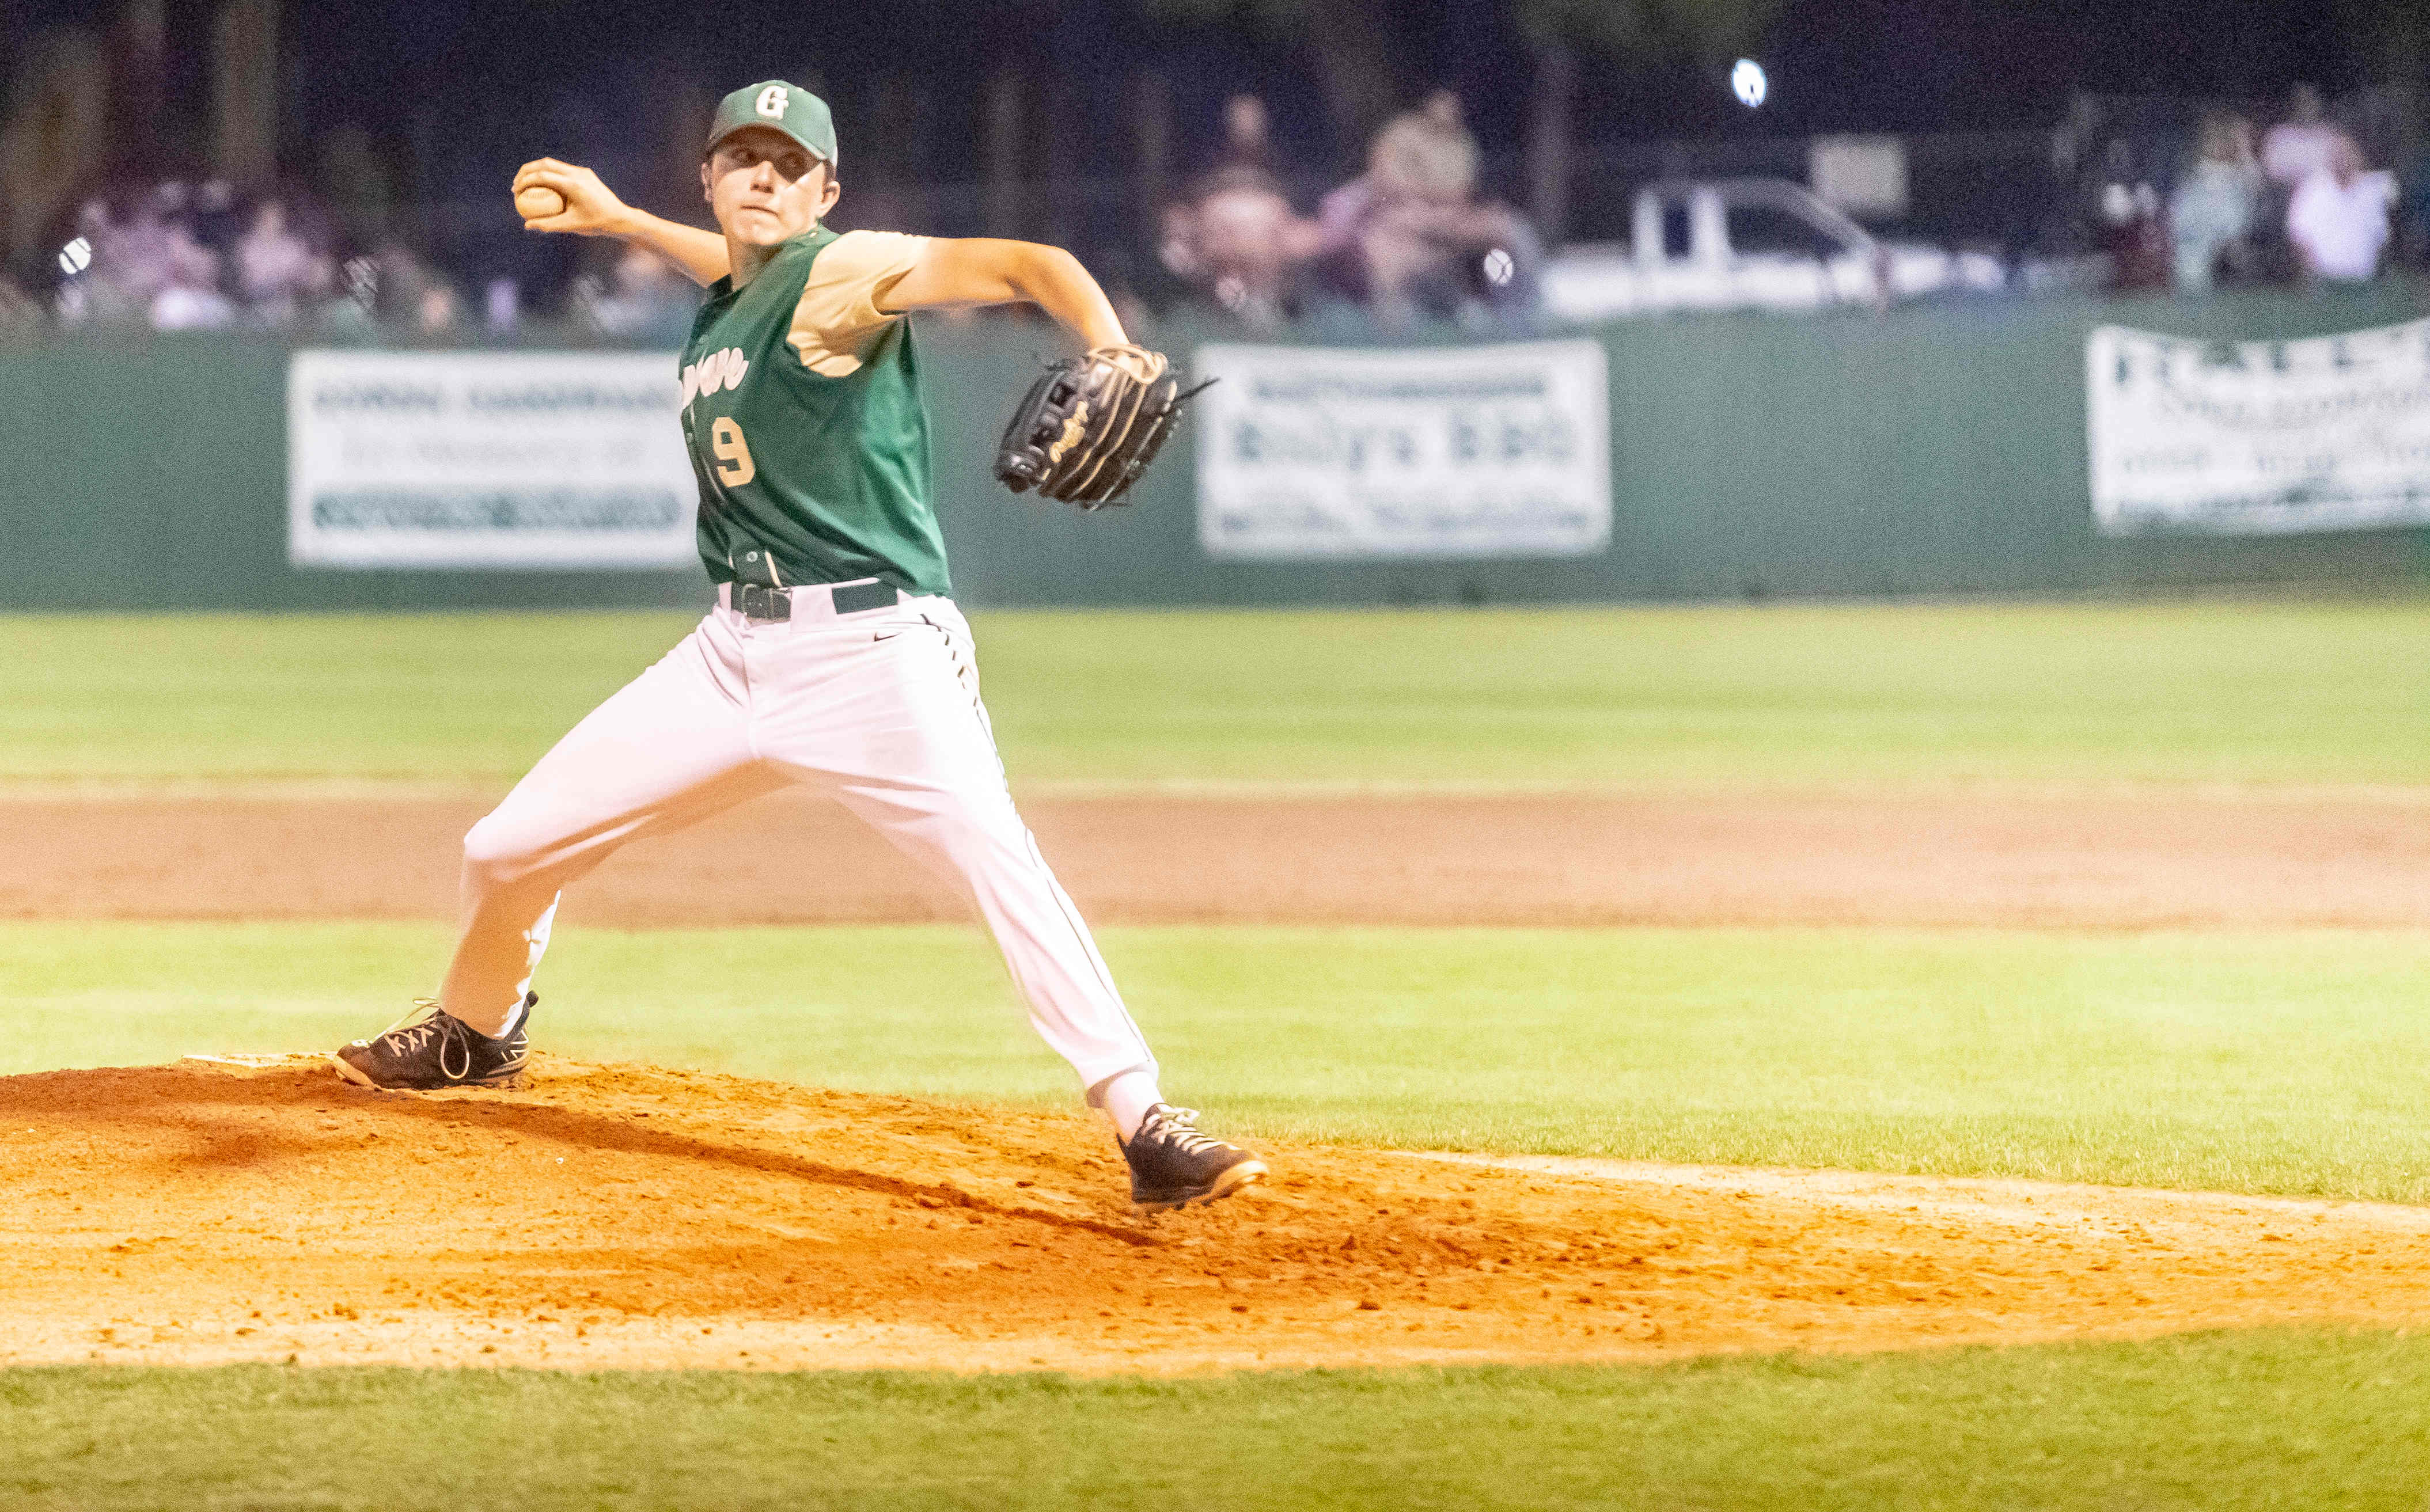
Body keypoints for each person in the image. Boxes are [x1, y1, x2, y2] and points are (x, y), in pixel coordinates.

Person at [332, 80, 1266, 1213]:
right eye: (742, 159)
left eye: (789, 163)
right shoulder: (738, 287)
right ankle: (478, 1032)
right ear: (713, 181)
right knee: (505, 847)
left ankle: (1140, 1115)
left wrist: (1111, 345)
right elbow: (727, 261)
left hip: (876, 651)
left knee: (992, 852)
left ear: (826, 191)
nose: (763, 176)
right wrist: (621, 220)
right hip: (731, 654)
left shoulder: (846, 267)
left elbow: (1030, 266)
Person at [2170, 111, 2261, 292]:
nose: (2216, 144)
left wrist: (2242, 146)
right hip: (2197, 247)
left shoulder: (2239, 176)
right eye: (2210, 139)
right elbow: (2180, 221)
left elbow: (2255, 193)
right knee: (2191, 274)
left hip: (2233, 247)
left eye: (2221, 139)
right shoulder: (2192, 177)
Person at [2287, 132, 2396, 283]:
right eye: (2336, 154)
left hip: (2363, 279)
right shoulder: (2312, 187)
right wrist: (2313, 273)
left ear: (2358, 157)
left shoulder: (2372, 191)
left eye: (2346, 153)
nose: (2341, 159)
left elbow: (2381, 237)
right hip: (2323, 279)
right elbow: (2299, 234)